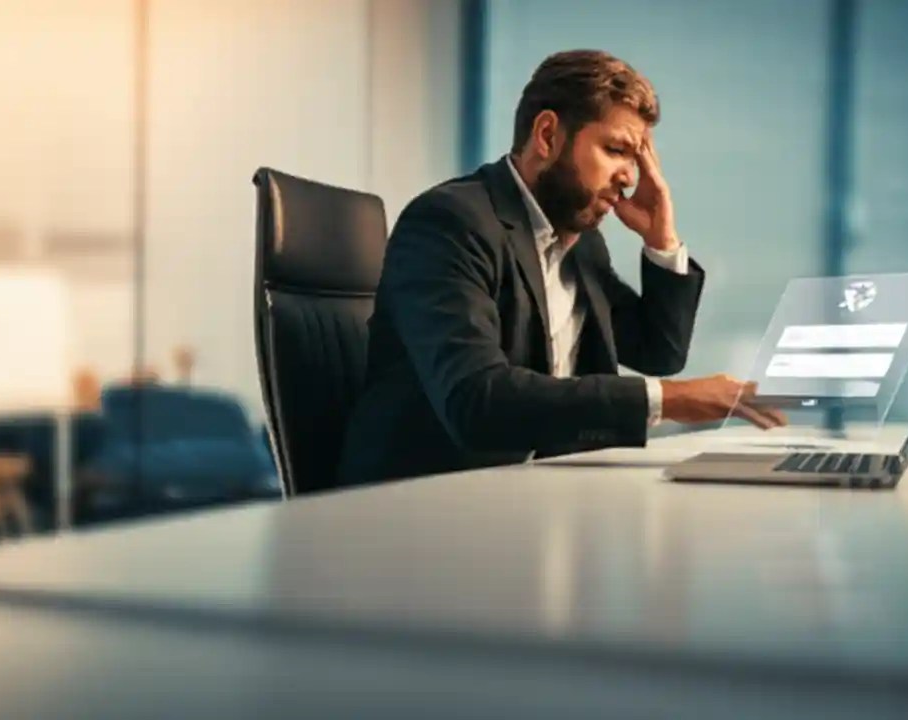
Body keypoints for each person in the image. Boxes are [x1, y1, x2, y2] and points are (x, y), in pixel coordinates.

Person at [336, 49, 784, 487]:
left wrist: (661, 241)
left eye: (637, 158)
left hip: (533, 492)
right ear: (548, 136)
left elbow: (657, 352)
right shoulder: (451, 222)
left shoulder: (581, 244)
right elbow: (476, 400)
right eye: (616, 150)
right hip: (423, 506)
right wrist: (673, 400)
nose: (630, 177)